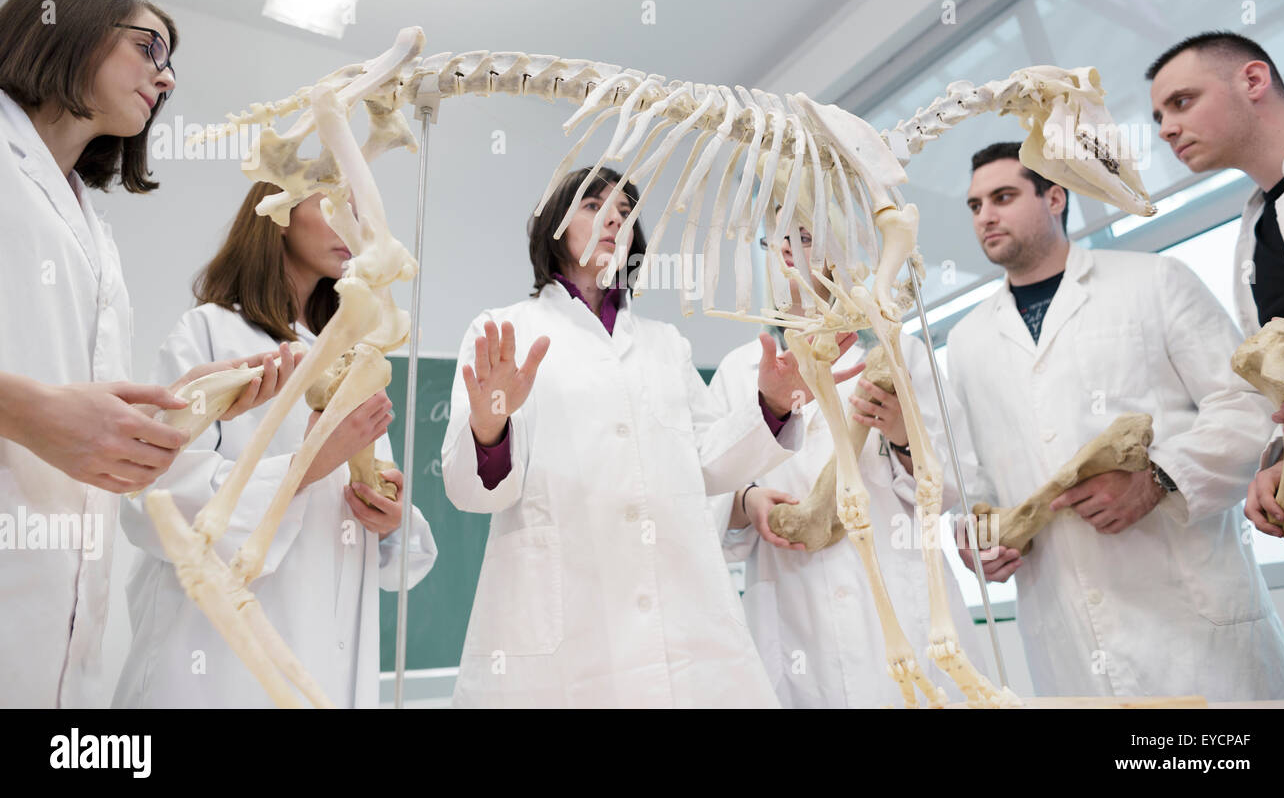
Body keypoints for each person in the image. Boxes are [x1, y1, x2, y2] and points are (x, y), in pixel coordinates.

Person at [441, 166, 861, 707]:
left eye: (625, 212)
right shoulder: (503, 332)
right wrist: (490, 421)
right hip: (563, 624)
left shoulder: (666, 345)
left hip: (680, 622)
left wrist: (777, 405)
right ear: (554, 225)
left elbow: (710, 461)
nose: (614, 218)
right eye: (594, 206)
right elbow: (474, 492)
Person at [0, 0, 295, 707]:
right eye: (149, 48)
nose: (165, 78)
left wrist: (193, 405)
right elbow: (45, 408)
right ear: (63, 27)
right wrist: (24, 412)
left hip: (60, 628)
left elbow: (81, 408)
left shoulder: (91, 226)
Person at [947, 141, 1284, 701]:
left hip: (1188, 615)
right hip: (1064, 632)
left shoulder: (1155, 280)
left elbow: (1246, 404)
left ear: (1055, 197)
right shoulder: (966, 341)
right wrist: (975, 537)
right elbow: (970, 473)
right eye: (974, 205)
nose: (985, 215)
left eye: (1004, 196)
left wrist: (1160, 478)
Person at [114, 183, 436, 707]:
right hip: (216, 668)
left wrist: (388, 515)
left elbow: (378, 541)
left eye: (359, 213)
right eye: (334, 206)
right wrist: (306, 465)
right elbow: (158, 504)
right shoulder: (210, 334)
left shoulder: (351, 358)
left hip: (326, 661)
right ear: (279, 214)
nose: (354, 227)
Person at [708, 229, 987, 707]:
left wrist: (901, 434)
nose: (788, 249)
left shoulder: (902, 354)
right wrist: (747, 501)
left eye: (808, 235)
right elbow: (709, 495)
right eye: (775, 239)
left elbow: (950, 489)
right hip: (795, 611)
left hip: (902, 602)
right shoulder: (738, 371)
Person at [1145, 32, 1284, 537]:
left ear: (1253, 80)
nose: (1168, 129)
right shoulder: (1258, 228)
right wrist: (1281, 461)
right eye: (1159, 118)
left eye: (1181, 102)